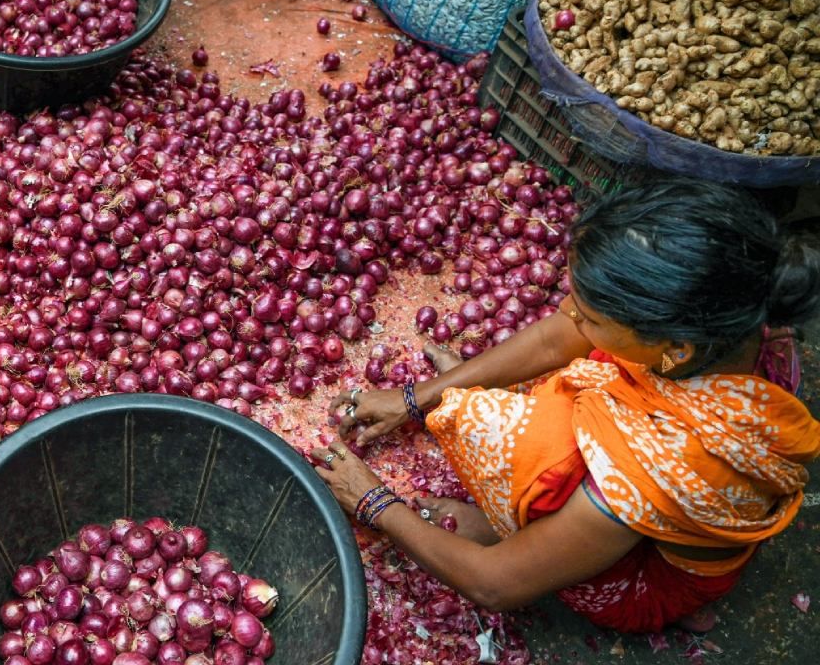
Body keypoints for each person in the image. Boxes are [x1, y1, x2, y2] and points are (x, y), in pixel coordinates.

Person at [314, 179, 820, 633]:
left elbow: (495, 584)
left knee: (522, 438)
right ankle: (552, 535)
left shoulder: (666, 466)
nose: (568, 313)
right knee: (551, 399)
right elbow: (558, 338)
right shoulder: (728, 316)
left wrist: (376, 503)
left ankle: (530, 537)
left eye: (590, 316)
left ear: (675, 347)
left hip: (635, 580)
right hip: (636, 505)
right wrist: (419, 396)